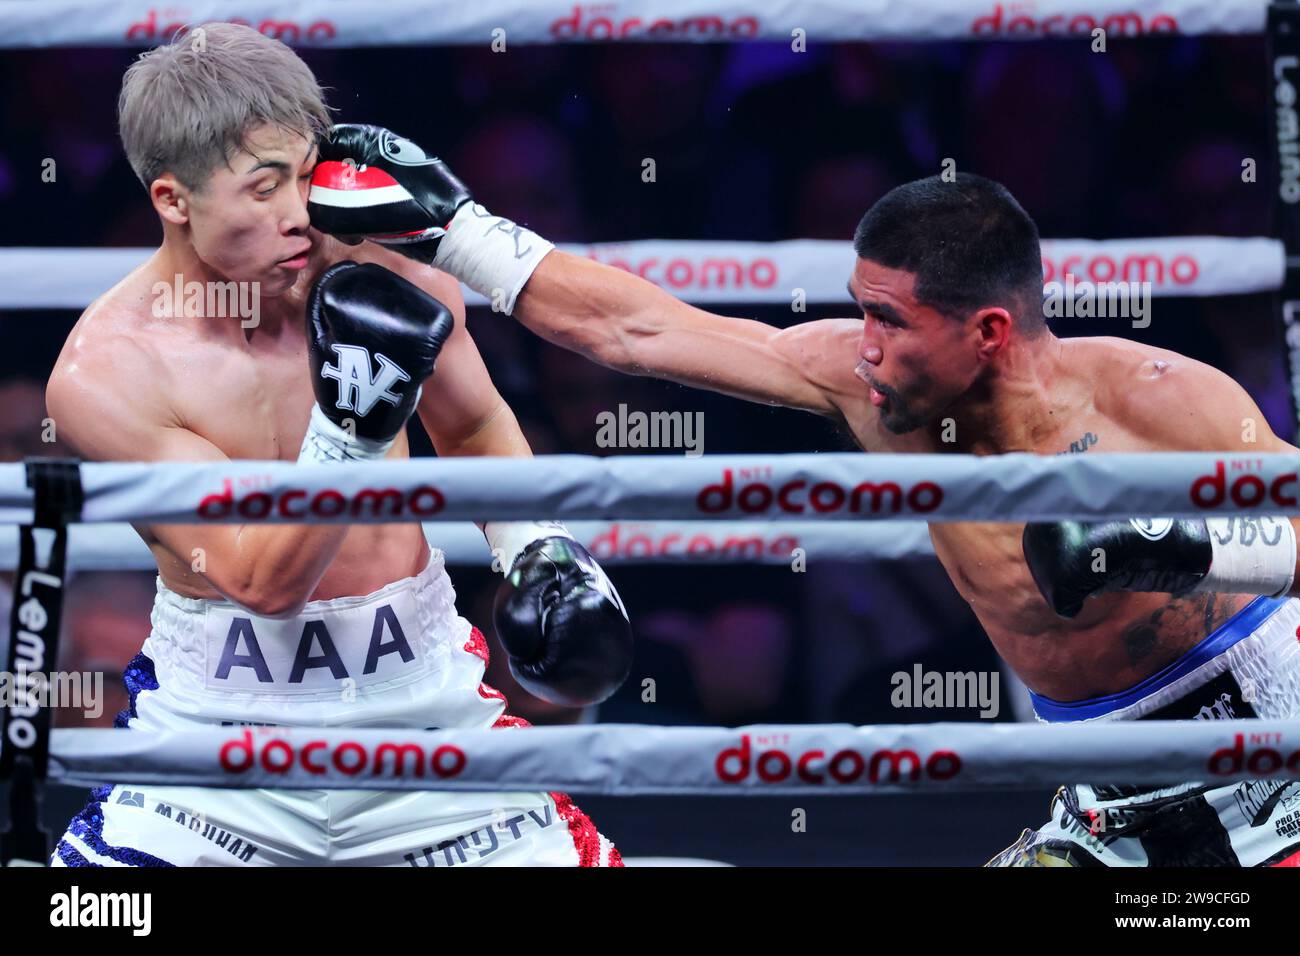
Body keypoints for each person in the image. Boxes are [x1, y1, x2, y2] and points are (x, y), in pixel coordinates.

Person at [308, 127, 1300, 866]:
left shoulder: (1159, 401)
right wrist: (456, 230)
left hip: (1267, 776)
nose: (857, 343)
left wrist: (1184, 548)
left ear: (989, 331)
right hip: (1102, 800)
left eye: (886, 320)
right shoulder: (875, 389)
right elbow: (638, 329)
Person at [43, 24, 630, 867]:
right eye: (262, 189)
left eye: (306, 174)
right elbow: (256, 578)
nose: (299, 216)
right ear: (174, 200)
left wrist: (531, 548)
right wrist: (349, 430)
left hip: (421, 709)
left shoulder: (376, 264)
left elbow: (470, 425)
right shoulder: (106, 373)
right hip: (220, 745)